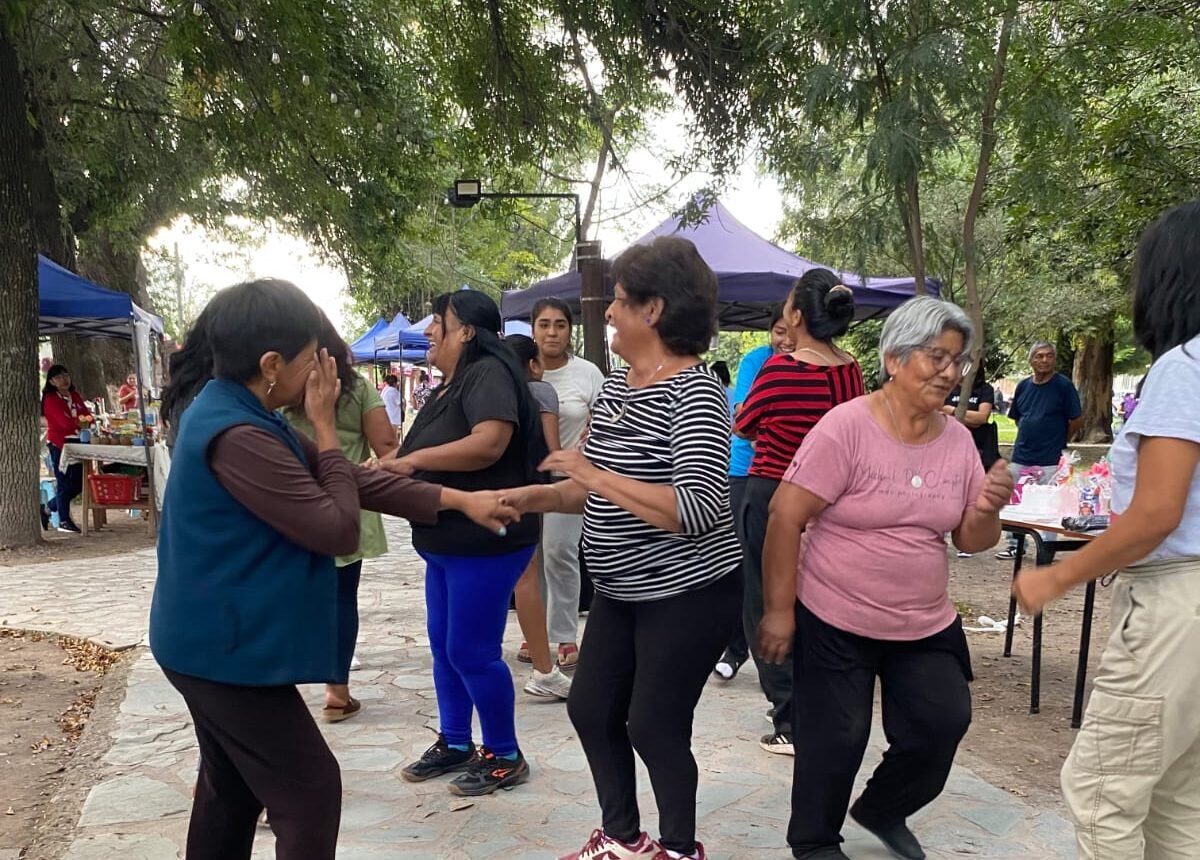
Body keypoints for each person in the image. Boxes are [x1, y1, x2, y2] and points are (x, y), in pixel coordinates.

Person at [149, 279, 516, 860]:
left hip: (208, 644)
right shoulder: (237, 431)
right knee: (311, 792)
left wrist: (457, 500)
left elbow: (338, 475)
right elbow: (335, 526)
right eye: (312, 362)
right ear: (271, 364)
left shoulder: (240, 411)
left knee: (232, 790)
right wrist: (324, 426)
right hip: (219, 652)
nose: (325, 376)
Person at [502, 236, 742, 860]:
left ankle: (681, 849)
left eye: (618, 300)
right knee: (589, 707)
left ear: (653, 309)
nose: (606, 312)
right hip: (622, 588)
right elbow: (590, 493)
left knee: (654, 726)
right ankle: (623, 839)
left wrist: (593, 476)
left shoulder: (697, 393)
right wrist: (534, 498)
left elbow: (695, 508)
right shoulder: (618, 385)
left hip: (690, 592)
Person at [758, 296, 1014, 860]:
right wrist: (778, 611)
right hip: (835, 611)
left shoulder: (956, 443)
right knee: (837, 737)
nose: (948, 372)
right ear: (894, 360)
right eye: (936, 357)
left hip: (922, 620)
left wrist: (988, 507)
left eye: (958, 361)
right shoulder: (845, 428)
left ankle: (883, 807)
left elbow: (971, 541)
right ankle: (815, 841)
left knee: (942, 721)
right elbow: (784, 515)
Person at [1013, 200, 1200, 859]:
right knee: (1179, 803)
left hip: (1176, 602)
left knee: (1101, 791)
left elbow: (1156, 513)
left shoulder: (1185, 368)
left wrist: (1060, 574)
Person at [380, 290, 547, 797]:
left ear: (467, 331)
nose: (430, 331)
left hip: (487, 539)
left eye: (439, 322)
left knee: (470, 651)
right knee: (444, 647)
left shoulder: (488, 374)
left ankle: (504, 752)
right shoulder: (452, 382)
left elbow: (489, 441)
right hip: (447, 543)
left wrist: (410, 462)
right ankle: (455, 742)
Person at [734, 271, 864, 756]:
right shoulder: (850, 369)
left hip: (774, 493)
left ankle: (788, 717)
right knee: (818, 602)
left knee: (766, 601)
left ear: (795, 315)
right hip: (832, 498)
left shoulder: (780, 369)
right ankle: (822, 706)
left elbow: (745, 427)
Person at [284, 316, 399, 723]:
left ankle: (287, 681)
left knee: (296, 596)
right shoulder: (358, 389)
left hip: (292, 505)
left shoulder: (283, 390)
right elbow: (387, 446)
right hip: (348, 503)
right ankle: (337, 689)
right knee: (341, 598)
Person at [712, 307, 795, 683]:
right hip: (746, 472)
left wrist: (773, 422)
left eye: (792, 331)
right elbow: (743, 419)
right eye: (779, 331)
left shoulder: (821, 365)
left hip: (798, 478)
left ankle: (786, 660)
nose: (786, 340)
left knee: (789, 568)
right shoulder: (756, 361)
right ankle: (737, 648)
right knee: (745, 565)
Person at [526, 297, 606, 673]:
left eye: (559, 324)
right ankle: (534, 630)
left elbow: (610, 419)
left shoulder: (588, 373)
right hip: (524, 479)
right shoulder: (519, 371)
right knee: (530, 557)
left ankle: (564, 634)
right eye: (544, 324)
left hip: (568, 479)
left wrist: (592, 442)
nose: (552, 332)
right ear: (532, 329)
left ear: (569, 329)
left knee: (560, 552)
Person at [505, 334, 573, 701]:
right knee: (529, 575)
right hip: (530, 486)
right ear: (532, 364)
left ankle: (535, 653)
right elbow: (550, 446)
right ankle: (544, 669)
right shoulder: (541, 390)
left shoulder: (492, 390)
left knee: (512, 575)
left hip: (493, 490)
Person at [995, 340, 1082, 559]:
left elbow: (1076, 418)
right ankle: (1015, 545)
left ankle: (1046, 549)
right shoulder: (1023, 386)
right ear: (1031, 360)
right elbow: (1017, 417)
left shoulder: (1063, 386)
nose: (1044, 360)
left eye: (1049, 356)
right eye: (1039, 356)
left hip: (1050, 458)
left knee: (1049, 505)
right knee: (1016, 502)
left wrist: (1061, 439)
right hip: (1022, 455)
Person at [943, 361, 1000, 558]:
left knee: (972, 496)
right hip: (947, 450)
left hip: (978, 450)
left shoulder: (984, 390)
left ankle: (965, 540)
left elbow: (981, 418)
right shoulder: (946, 388)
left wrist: (951, 411)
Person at [42, 365, 92, 534]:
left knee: (78, 483)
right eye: (58, 377)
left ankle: (49, 508)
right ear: (51, 382)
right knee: (63, 482)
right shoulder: (51, 399)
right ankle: (64, 520)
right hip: (59, 444)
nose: (64, 379)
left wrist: (81, 420)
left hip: (78, 443)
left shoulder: (74, 395)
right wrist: (80, 420)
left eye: (65, 375)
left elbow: (88, 415)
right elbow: (63, 424)